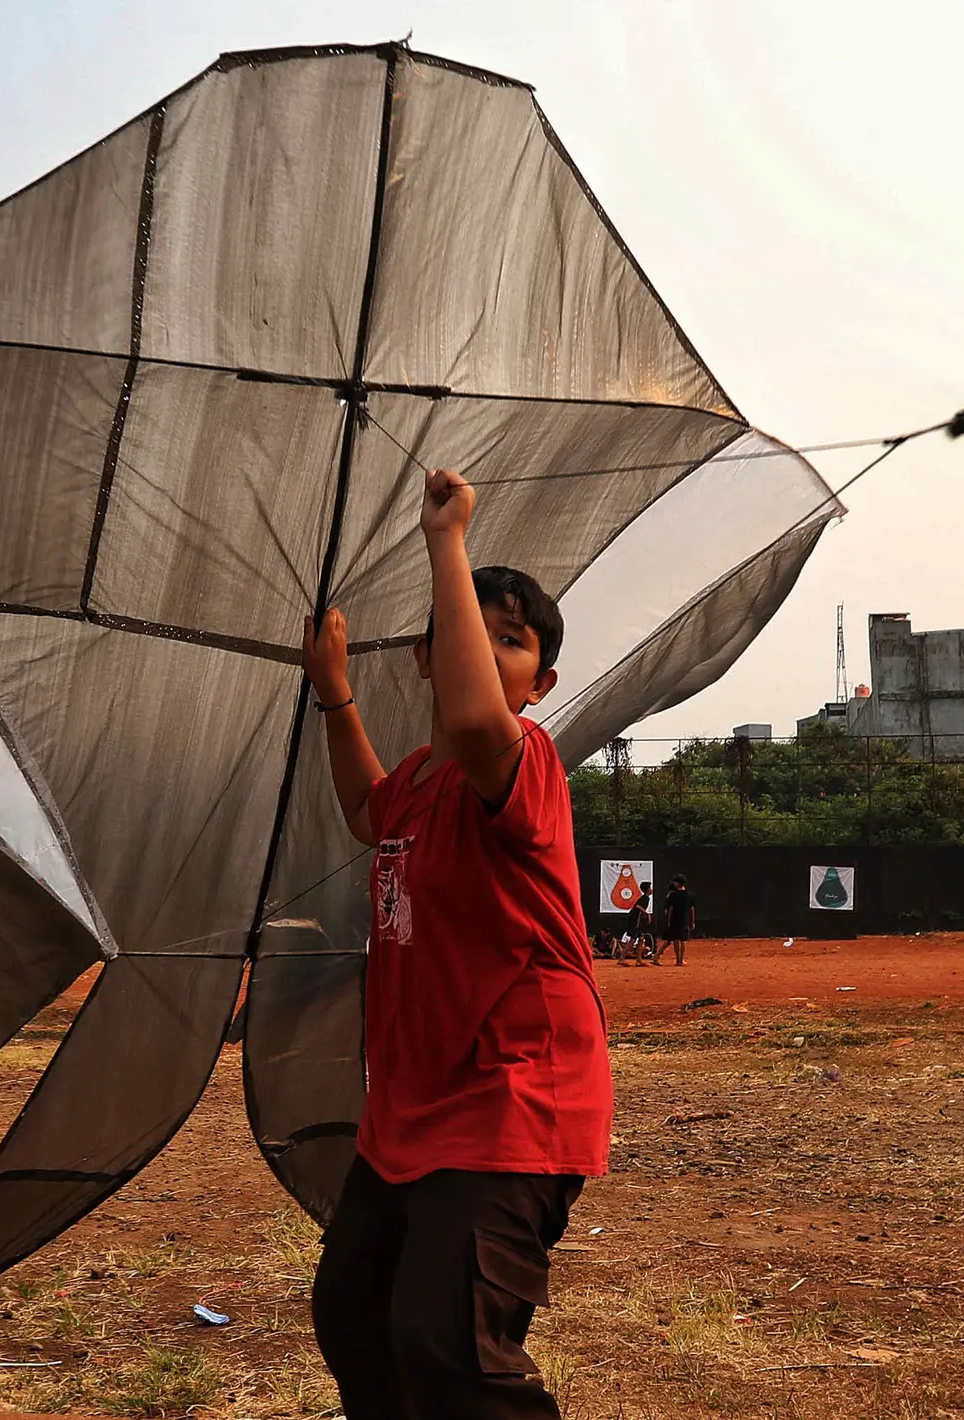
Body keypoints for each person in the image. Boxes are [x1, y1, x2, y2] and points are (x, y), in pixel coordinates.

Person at [302, 466, 608, 1420]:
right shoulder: (424, 779)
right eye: (464, 634)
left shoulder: (522, 762)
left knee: (451, 1350)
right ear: (427, 657)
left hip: (512, 1098)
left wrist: (448, 541)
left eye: (506, 639)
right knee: (354, 1317)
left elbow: (479, 720)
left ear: (539, 681)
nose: (483, 651)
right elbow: (364, 808)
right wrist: (333, 693)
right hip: (412, 1110)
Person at [663, 875, 697, 967]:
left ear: (678, 883)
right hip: (684, 919)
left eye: (675, 882)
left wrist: (669, 920)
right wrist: (692, 921)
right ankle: (681, 959)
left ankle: (678, 960)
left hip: (675, 919)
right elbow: (691, 909)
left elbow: (671, 909)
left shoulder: (673, 895)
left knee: (676, 940)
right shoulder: (689, 895)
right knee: (683, 940)